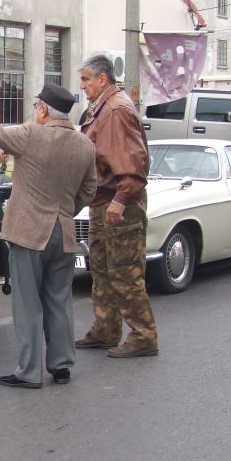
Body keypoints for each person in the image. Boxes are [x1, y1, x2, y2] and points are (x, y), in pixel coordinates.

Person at [0, 79, 98, 388]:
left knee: (28, 304)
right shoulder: (85, 144)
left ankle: (29, 372)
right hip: (64, 233)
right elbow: (89, 190)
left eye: (35, 107)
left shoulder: (31, 135)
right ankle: (61, 365)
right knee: (59, 301)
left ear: (43, 110)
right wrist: (65, 211)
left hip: (30, 233)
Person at [75, 54, 159, 358]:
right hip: (104, 201)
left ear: (102, 79)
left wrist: (121, 200)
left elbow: (133, 163)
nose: (82, 85)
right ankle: (106, 329)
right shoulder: (103, 109)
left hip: (118, 202)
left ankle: (143, 335)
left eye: (85, 79)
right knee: (103, 270)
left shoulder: (116, 110)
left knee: (125, 272)